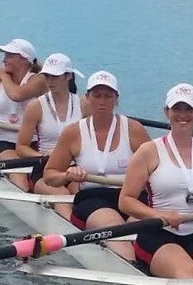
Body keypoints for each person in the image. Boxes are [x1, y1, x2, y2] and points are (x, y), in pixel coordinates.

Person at [118, 83, 193, 285]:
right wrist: (158, 214)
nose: (183, 115)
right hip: (159, 233)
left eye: (189, 109)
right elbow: (126, 201)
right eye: (177, 109)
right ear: (166, 112)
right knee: (187, 270)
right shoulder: (148, 151)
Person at [41, 70, 149, 262]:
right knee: (114, 226)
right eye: (97, 95)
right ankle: (132, 267)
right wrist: (67, 175)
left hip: (132, 197)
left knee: (146, 232)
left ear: (116, 98)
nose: (102, 101)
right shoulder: (73, 132)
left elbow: (156, 171)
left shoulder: (134, 129)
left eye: (108, 96)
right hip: (93, 198)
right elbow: (50, 175)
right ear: (88, 97)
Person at [0, 37, 46, 181]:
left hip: (33, 145)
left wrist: (4, 76)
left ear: (24, 59)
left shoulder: (39, 80)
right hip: (3, 143)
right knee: (19, 170)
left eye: (9, 55)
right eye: (5, 55)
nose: (4, 60)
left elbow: (17, 95)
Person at [16, 52, 81, 192]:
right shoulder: (35, 107)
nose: (50, 81)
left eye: (55, 76)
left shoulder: (84, 105)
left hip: (75, 168)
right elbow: (21, 147)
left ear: (68, 76)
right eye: (47, 76)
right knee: (62, 194)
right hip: (45, 167)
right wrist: (41, 156)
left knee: (80, 194)